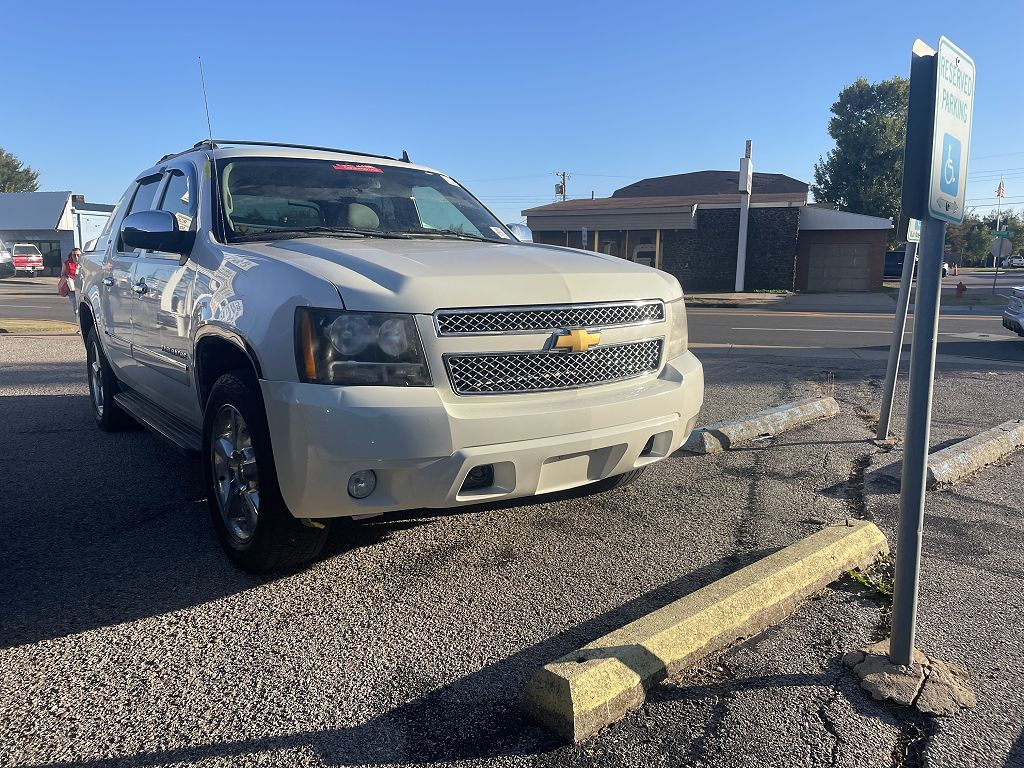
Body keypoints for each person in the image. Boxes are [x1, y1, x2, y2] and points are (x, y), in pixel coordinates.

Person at [60, 248, 80, 319]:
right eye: (74, 255)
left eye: (78, 255)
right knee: (76, 307)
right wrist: (66, 277)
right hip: (72, 287)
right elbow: (62, 274)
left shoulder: (84, 263)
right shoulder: (67, 263)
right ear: (71, 255)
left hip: (82, 287)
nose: (76, 257)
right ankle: (79, 322)